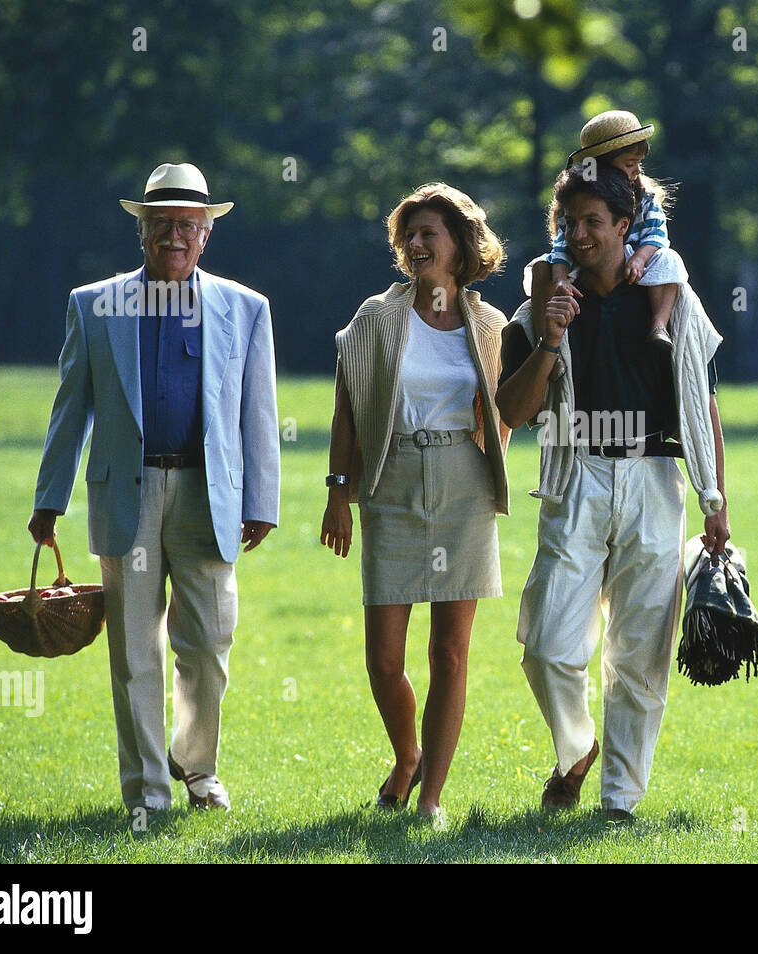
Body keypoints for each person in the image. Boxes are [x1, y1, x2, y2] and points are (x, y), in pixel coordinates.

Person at [29, 162, 280, 813]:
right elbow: (70, 410)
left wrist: (262, 503)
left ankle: (198, 769)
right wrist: (48, 500)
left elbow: (258, 411)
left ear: (206, 236)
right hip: (127, 495)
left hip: (209, 495)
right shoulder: (94, 305)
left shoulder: (246, 308)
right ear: (141, 231)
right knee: (135, 647)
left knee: (209, 644)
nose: (174, 235)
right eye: (161, 223)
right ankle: (147, 790)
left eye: (187, 225)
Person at [496, 165, 730, 823]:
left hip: (656, 479)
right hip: (576, 475)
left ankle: (620, 801)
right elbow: (510, 411)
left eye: (593, 221)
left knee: (640, 656)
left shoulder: (671, 297)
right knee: (545, 643)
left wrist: (716, 500)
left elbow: (703, 401)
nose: (580, 234)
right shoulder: (541, 304)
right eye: (568, 224)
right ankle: (577, 748)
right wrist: (549, 338)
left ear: (625, 227)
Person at [320, 182, 508, 823]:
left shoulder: (488, 324)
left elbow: (501, 416)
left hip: (464, 478)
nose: (418, 244)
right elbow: (348, 408)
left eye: (431, 233)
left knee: (450, 652)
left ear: (461, 245)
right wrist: (337, 490)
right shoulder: (376, 317)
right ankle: (408, 756)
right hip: (390, 475)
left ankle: (430, 799)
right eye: (411, 236)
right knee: (384, 658)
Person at [529, 109, 679, 353]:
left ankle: (659, 325)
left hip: (640, 259)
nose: (637, 171)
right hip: (584, 259)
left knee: (670, 260)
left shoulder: (646, 197)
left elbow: (656, 235)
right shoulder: (574, 199)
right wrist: (560, 278)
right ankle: (545, 343)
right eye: (630, 164)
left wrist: (640, 259)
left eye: (638, 164)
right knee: (540, 268)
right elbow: (561, 245)